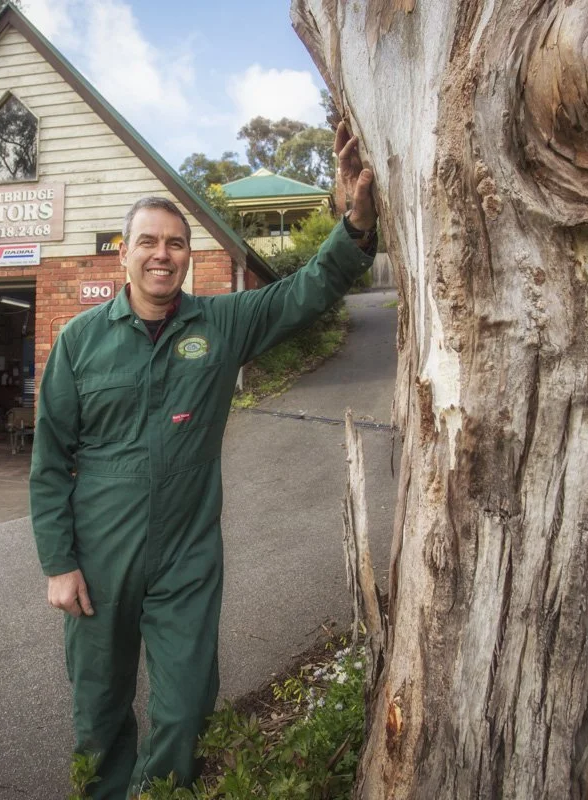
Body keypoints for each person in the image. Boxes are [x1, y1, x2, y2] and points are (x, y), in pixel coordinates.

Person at [30, 122, 378, 798]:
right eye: (148, 243)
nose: (162, 255)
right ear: (123, 255)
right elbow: (49, 461)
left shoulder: (218, 326)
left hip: (187, 558)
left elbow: (302, 293)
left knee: (186, 711)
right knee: (99, 715)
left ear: (189, 255)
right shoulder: (78, 343)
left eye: (176, 243)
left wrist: (354, 227)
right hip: (98, 560)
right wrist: (58, 562)